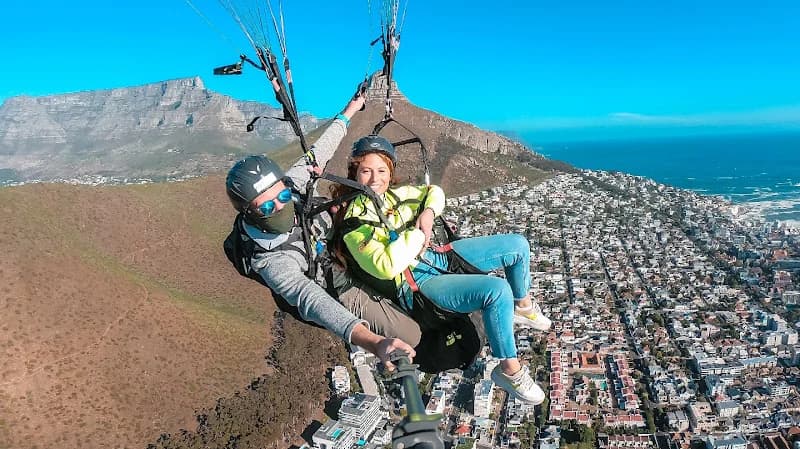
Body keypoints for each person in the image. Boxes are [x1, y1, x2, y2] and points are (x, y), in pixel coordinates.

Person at [331, 135, 552, 404]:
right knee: (496, 291)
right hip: (418, 282)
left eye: (382, 170)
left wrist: (428, 214)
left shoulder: (397, 196)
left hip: (439, 257)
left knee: (517, 246)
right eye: (366, 171)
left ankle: (524, 308)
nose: (375, 178)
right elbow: (386, 266)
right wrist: (418, 235)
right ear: (354, 173)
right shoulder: (356, 220)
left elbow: (433, 192)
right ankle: (509, 372)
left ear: (390, 173)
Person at [224, 92, 419, 370]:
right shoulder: (271, 261)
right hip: (332, 283)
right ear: (249, 213)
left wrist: (349, 111)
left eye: (281, 196)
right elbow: (310, 299)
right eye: (267, 206)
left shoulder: (292, 187)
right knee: (412, 333)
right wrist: (373, 342)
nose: (280, 205)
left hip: (340, 249)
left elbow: (320, 150)